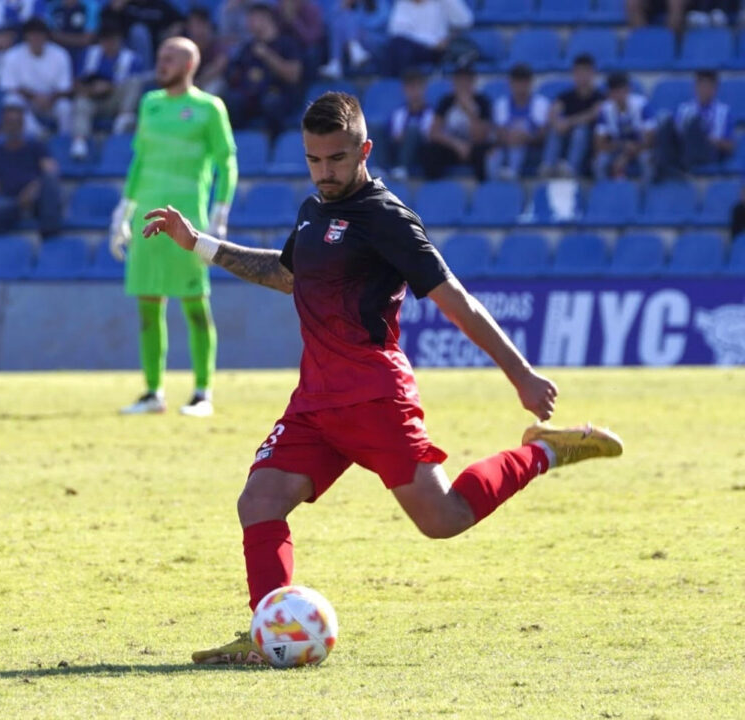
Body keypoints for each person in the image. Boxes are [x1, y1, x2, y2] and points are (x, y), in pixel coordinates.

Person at [140, 91, 624, 665]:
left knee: (444, 521)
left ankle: (540, 453)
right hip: (315, 401)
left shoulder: (388, 219)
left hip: (374, 395)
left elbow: (457, 301)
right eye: (314, 160)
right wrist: (198, 243)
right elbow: (288, 273)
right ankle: (267, 632)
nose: (325, 172)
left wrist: (520, 375)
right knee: (260, 500)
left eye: (337, 159)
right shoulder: (313, 209)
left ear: (363, 150)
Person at [110, 37, 237, 417]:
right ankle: (153, 393)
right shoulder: (150, 104)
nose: (160, 64)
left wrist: (221, 212)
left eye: (169, 59)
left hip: (188, 222)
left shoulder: (209, 108)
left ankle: (202, 393)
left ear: (188, 65)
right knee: (148, 308)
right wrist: (123, 210)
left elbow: (226, 161)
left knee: (196, 306)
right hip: (146, 220)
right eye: (160, 57)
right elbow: (139, 161)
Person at [0, 98, 62, 238]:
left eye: (16, 123)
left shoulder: (36, 146)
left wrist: (35, 187)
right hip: (12, 202)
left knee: (49, 184)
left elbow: (51, 170)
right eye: (9, 123)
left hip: (35, 199)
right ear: (3, 125)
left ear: (22, 125)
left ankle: (50, 232)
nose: (13, 127)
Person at [223, 1, 304, 137]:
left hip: (279, 96)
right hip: (251, 97)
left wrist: (267, 55)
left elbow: (293, 76)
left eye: (252, 18)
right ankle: (238, 143)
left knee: (271, 102)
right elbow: (233, 73)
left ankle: (275, 144)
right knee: (232, 100)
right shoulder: (247, 47)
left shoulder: (287, 43)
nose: (248, 23)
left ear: (265, 18)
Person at [70, 22, 144, 159]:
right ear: (101, 40)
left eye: (113, 39)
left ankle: (123, 120)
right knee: (81, 103)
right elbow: (76, 83)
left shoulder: (131, 59)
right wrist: (91, 90)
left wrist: (108, 87)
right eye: (106, 39)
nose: (110, 43)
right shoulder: (89, 55)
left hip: (117, 100)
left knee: (135, 82)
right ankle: (79, 142)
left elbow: (131, 85)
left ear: (119, 40)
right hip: (92, 99)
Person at [0, 16, 74, 135]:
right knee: (12, 101)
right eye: (32, 35)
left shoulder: (60, 54)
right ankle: (37, 135)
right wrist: (34, 97)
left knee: (65, 107)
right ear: (26, 37)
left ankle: (64, 139)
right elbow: (10, 86)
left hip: (52, 100)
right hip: (27, 100)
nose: (36, 39)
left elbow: (65, 87)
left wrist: (50, 98)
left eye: (40, 35)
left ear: (46, 36)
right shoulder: (12, 55)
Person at [654, 69, 733, 178]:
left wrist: (709, 139)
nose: (704, 90)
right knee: (666, 121)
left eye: (708, 86)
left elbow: (729, 146)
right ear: (695, 87)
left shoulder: (724, 112)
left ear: (715, 89)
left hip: (709, 151)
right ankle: (661, 167)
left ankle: (680, 167)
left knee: (694, 123)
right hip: (684, 148)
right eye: (701, 86)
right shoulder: (684, 109)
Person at [421, 60, 491, 181]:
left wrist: (469, 112)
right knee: (430, 150)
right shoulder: (446, 101)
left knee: (484, 152)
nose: (463, 84)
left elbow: (482, 136)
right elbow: (434, 132)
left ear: (472, 82)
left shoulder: (482, 101)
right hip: (452, 146)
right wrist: (456, 145)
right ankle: (434, 186)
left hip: (473, 147)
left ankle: (482, 189)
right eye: (460, 80)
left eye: (466, 80)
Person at [541, 54, 604, 178]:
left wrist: (568, 122)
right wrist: (556, 122)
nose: (582, 77)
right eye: (578, 73)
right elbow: (552, 112)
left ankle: (570, 168)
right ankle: (548, 166)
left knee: (580, 131)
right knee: (555, 130)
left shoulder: (600, 96)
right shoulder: (566, 96)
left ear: (592, 74)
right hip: (567, 136)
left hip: (590, 139)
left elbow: (593, 114)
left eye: (585, 72)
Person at [488, 63, 549, 180]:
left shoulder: (540, 103)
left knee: (517, 148)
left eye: (524, 82)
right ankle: (492, 184)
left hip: (532, 150)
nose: (520, 86)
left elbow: (544, 134)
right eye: (517, 82)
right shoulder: (502, 104)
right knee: (493, 155)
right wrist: (510, 138)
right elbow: (498, 132)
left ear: (530, 83)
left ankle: (512, 176)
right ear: (510, 83)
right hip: (507, 147)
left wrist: (527, 137)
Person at [383, 0, 473, 77]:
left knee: (400, 50)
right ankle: (395, 86)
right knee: (396, 46)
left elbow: (465, 21)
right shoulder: (403, 3)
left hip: (435, 51)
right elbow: (395, 30)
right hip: (414, 47)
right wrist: (428, 43)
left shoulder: (442, 2)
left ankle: (397, 87)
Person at [593, 71, 655, 181]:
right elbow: (599, 143)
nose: (619, 95)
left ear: (628, 90)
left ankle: (647, 193)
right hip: (617, 148)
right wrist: (622, 147)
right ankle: (603, 194)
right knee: (600, 162)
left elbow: (650, 139)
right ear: (610, 93)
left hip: (640, 148)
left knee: (646, 159)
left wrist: (625, 157)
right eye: (615, 91)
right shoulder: (605, 109)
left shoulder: (641, 105)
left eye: (622, 90)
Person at [317, 0, 388, 80]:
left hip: (374, 40)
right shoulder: (354, 4)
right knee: (339, 21)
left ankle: (336, 62)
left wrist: (357, 26)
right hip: (349, 40)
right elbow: (327, 21)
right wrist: (341, 5)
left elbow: (382, 21)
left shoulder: (381, 2)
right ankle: (354, 48)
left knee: (347, 18)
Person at [386, 67, 434, 180]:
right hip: (400, 148)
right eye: (410, 88)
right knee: (376, 127)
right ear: (404, 90)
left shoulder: (430, 113)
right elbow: (395, 135)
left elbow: (428, 137)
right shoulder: (399, 113)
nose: (414, 91)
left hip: (420, 152)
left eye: (417, 87)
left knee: (413, 129)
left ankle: (403, 167)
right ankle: (382, 168)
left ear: (424, 89)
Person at [185, 7, 229, 96]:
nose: (195, 29)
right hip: (189, 81)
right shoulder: (185, 44)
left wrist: (199, 82)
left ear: (207, 25)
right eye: (192, 25)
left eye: (199, 24)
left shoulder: (216, 43)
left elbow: (219, 65)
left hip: (209, 81)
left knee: (214, 86)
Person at [47, 0, 100, 72]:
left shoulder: (90, 6)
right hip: (57, 55)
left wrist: (59, 37)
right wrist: (76, 39)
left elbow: (87, 39)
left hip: (82, 55)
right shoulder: (52, 7)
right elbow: (49, 36)